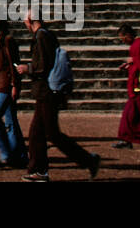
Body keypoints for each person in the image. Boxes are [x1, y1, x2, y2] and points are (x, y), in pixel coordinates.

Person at [16, 10, 99, 182]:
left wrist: (27, 68)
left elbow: (43, 65)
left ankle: (88, 160)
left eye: (25, 20)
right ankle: (39, 170)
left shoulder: (41, 37)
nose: (24, 24)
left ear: (30, 20)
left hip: (47, 91)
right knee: (36, 133)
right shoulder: (47, 35)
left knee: (51, 133)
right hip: (46, 92)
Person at [0, 18, 26, 168]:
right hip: (1, 83)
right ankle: (20, 155)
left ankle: (6, 154)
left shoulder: (7, 40)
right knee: (10, 121)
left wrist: (15, 85)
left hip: (7, 85)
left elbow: (13, 63)